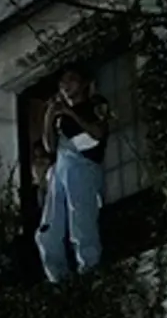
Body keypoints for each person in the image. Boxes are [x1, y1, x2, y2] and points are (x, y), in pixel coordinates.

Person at [37, 67, 111, 282]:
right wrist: (49, 117)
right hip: (62, 165)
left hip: (83, 165)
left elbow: (98, 134)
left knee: (81, 220)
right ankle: (57, 278)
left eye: (71, 79)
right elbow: (49, 147)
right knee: (48, 228)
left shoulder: (95, 104)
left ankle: (90, 270)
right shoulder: (60, 117)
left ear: (83, 83)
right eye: (62, 83)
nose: (65, 85)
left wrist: (71, 114)